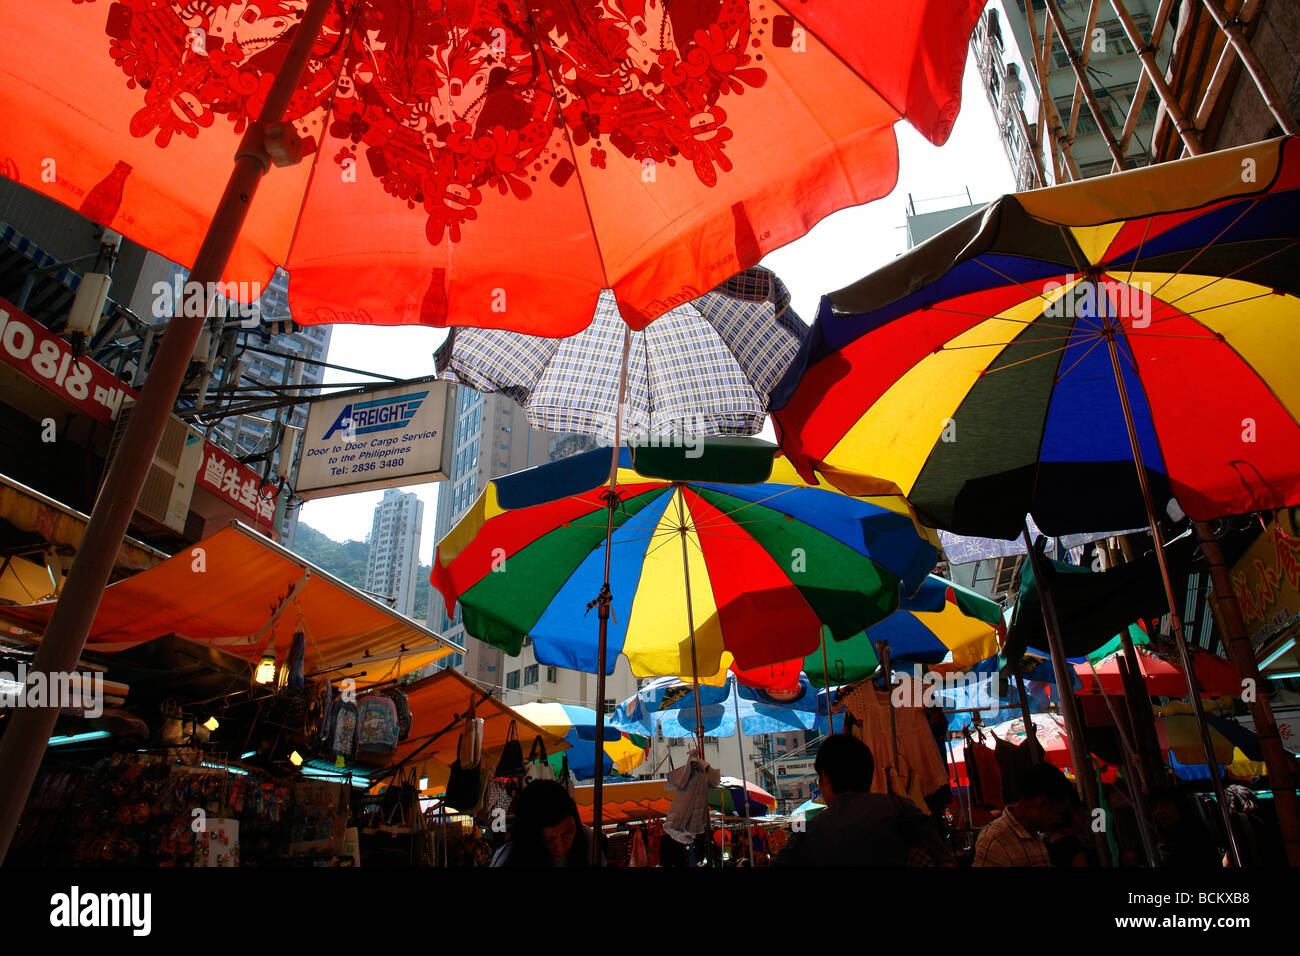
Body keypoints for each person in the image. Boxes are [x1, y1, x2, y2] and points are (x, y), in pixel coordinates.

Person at [774, 733, 951, 866]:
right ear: (869, 774)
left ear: (825, 779)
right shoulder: (901, 808)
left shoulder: (809, 832)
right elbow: (945, 860)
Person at [972, 763, 1075, 866]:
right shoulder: (995, 841)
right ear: (1041, 805)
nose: (1058, 820)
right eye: (1058, 813)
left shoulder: (1032, 833)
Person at [489, 780, 603, 867]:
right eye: (549, 839)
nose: (560, 847)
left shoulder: (587, 839)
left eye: (566, 834)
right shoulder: (506, 858)